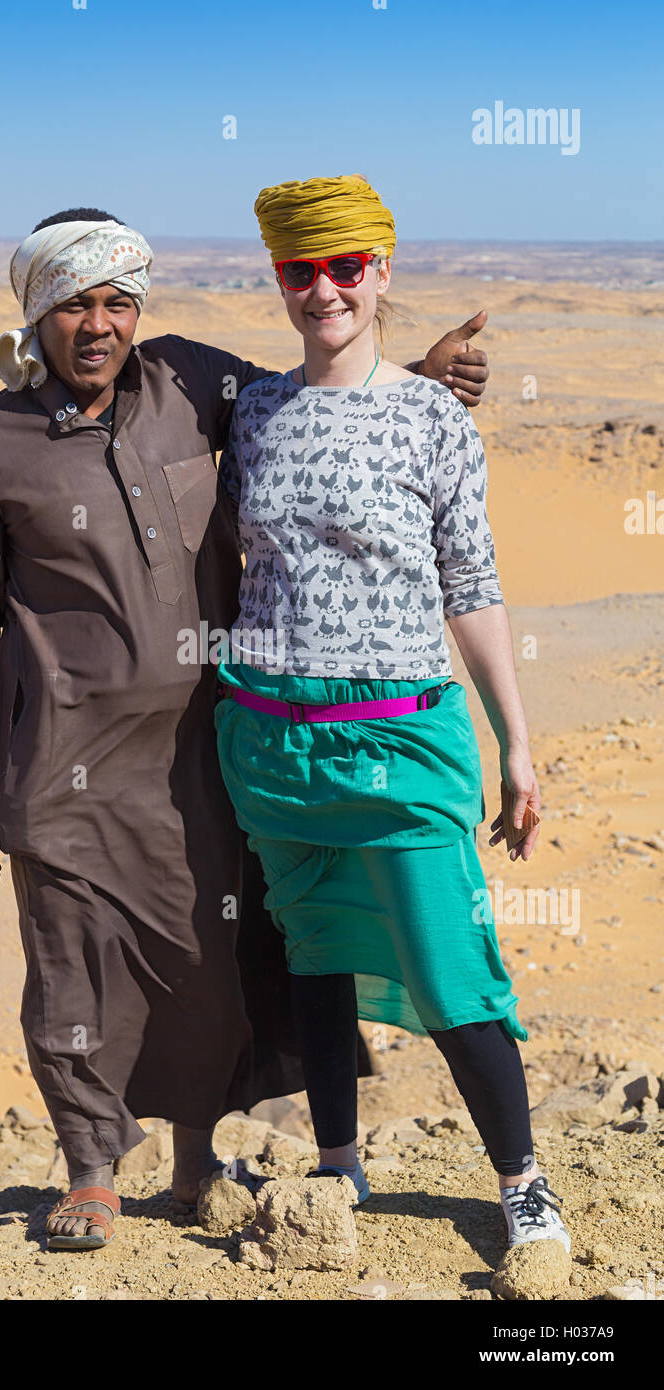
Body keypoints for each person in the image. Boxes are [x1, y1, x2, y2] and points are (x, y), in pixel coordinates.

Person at [0, 204, 493, 1251]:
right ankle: (91, 1166)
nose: (97, 325)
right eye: (72, 305)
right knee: (69, 956)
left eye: (116, 301)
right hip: (57, 760)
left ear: (137, 307)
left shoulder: (194, 384)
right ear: (36, 314)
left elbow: (310, 406)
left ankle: (195, 1159)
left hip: (203, 744)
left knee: (207, 949)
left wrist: (415, 367)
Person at [213, 174, 570, 1252]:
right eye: (297, 270)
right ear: (277, 277)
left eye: (343, 267)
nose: (321, 289)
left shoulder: (431, 419)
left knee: (448, 958)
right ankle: (336, 1163)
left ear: (379, 271)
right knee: (314, 951)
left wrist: (515, 742)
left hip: (401, 739)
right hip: (273, 743)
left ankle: (521, 1184)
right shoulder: (256, 411)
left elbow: (470, 582)